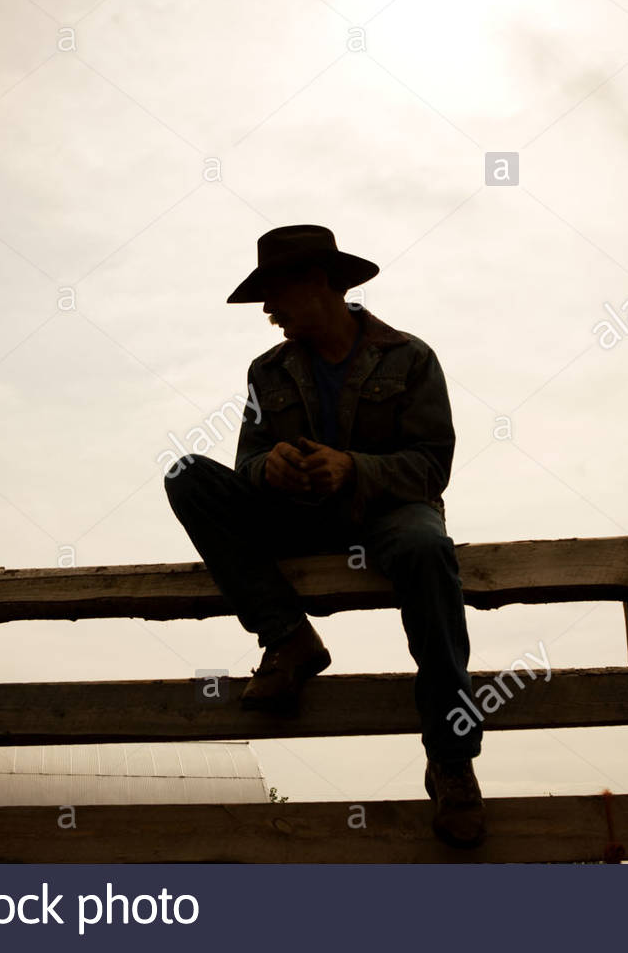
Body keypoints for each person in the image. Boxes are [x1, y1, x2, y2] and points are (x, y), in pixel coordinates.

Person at [163, 224, 484, 848]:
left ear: (318, 284)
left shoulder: (410, 357)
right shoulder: (267, 371)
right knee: (188, 477)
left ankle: (452, 759)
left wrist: (353, 467)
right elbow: (247, 462)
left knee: (426, 548)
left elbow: (430, 467)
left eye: (274, 291)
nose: (267, 309)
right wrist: (269, 468)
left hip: (390, 514)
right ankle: (288, 638)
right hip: (296, 515)